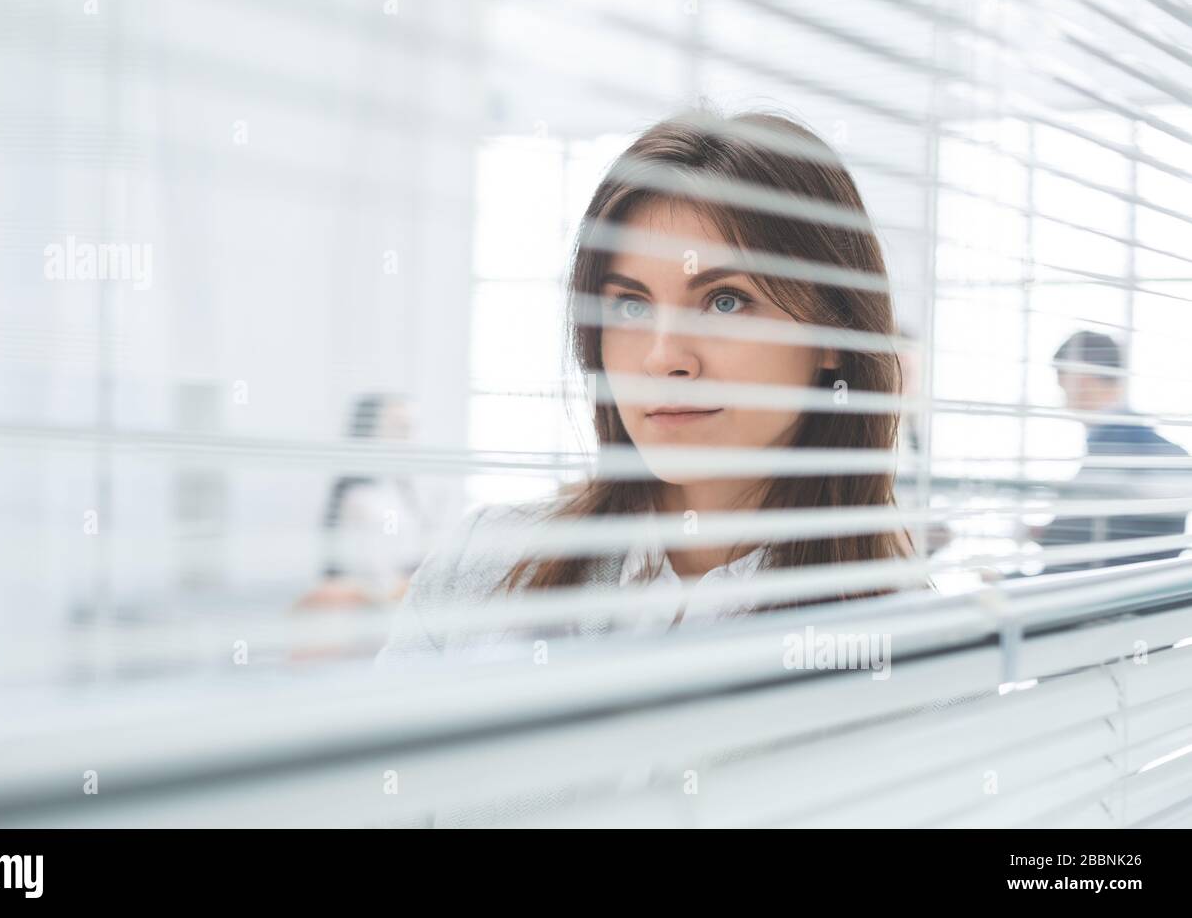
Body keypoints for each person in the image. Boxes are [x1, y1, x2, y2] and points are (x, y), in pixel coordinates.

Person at [377, 109, 921, 665]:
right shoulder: (482, 567)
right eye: (631, 305)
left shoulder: (905, 648)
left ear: (832, 334)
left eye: (725, 300)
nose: (664, 357)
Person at [1028, 330, 1190, 572]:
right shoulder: (1155, 451)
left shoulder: (1120, 450)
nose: (1065, 401)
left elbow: (1096, 544)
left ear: (1082, 380)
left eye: (1064, 388)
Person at [296, 393, 436, 610]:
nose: (408, 437)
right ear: (371, 431)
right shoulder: (358, 496)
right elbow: (376, 578)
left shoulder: (402, 491)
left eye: (410, 428)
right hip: (370, 610)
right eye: (399, 428)